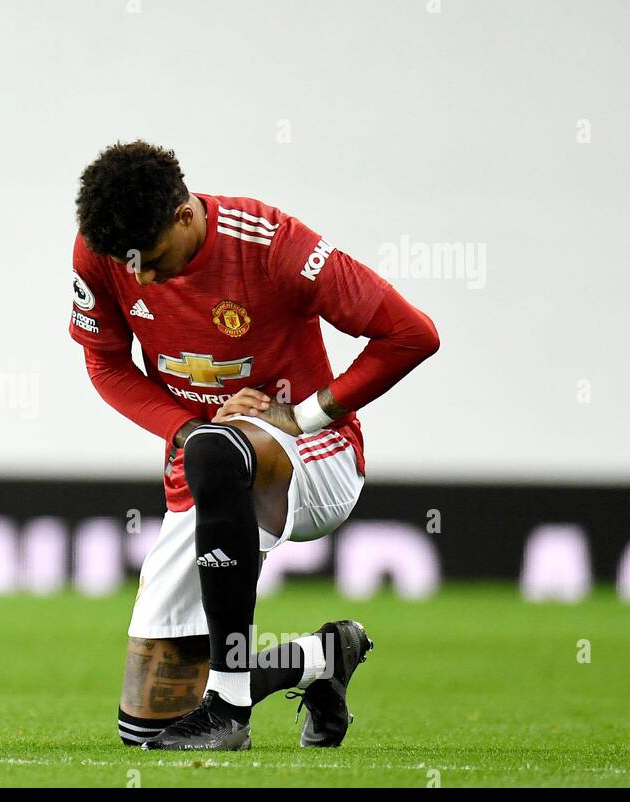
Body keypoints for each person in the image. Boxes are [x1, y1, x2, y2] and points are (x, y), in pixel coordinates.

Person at [70, 141, 438, 749]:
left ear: (186, 215)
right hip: (207, 465)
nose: (141, 278)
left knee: (218, 449)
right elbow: (106, 366)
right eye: (128, 264)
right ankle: (321, 658)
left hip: (315, 459)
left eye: (154, 258)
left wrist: (308, 414)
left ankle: (230, 714)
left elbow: (411, 333)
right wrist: (188, 429)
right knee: (145, 728)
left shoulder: (271, 243)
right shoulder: (102, 250)